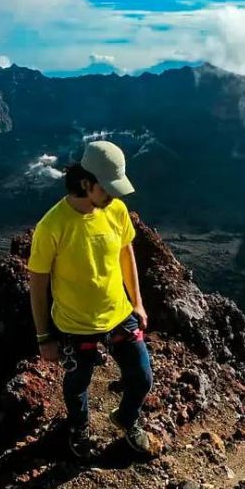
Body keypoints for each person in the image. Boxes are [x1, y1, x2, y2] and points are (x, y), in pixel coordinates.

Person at [26, 140, 153, 458]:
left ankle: (126, 418)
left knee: (142, 377)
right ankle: (79, 427)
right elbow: (37, 284)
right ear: (86, 183)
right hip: (75, 324)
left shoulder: (117, 211)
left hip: (119, 313)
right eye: (107, 188)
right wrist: (44, 336)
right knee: (77, 383)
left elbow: (126, 254)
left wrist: (137, 302)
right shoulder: (52, 226)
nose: (113, 196)